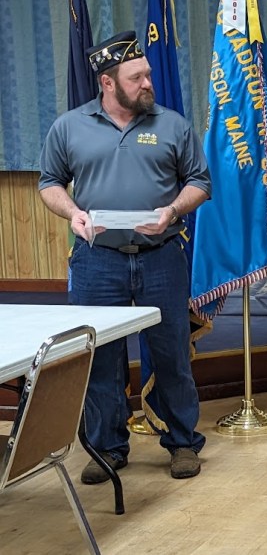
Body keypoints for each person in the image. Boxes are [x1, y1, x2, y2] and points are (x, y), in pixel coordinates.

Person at [38, 31, 212, 482]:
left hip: (161, 255)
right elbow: (49, 184)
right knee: (100, 357)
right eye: (137, 77)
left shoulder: (172, 124)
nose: (148, 83)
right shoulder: (69, 127)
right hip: (98, 260)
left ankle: (182, 444)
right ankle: (107, 449)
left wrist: (173, 209)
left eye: (148, 74)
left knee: (172, 352)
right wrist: (73, 213)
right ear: (108, 83)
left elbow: (200, 181)